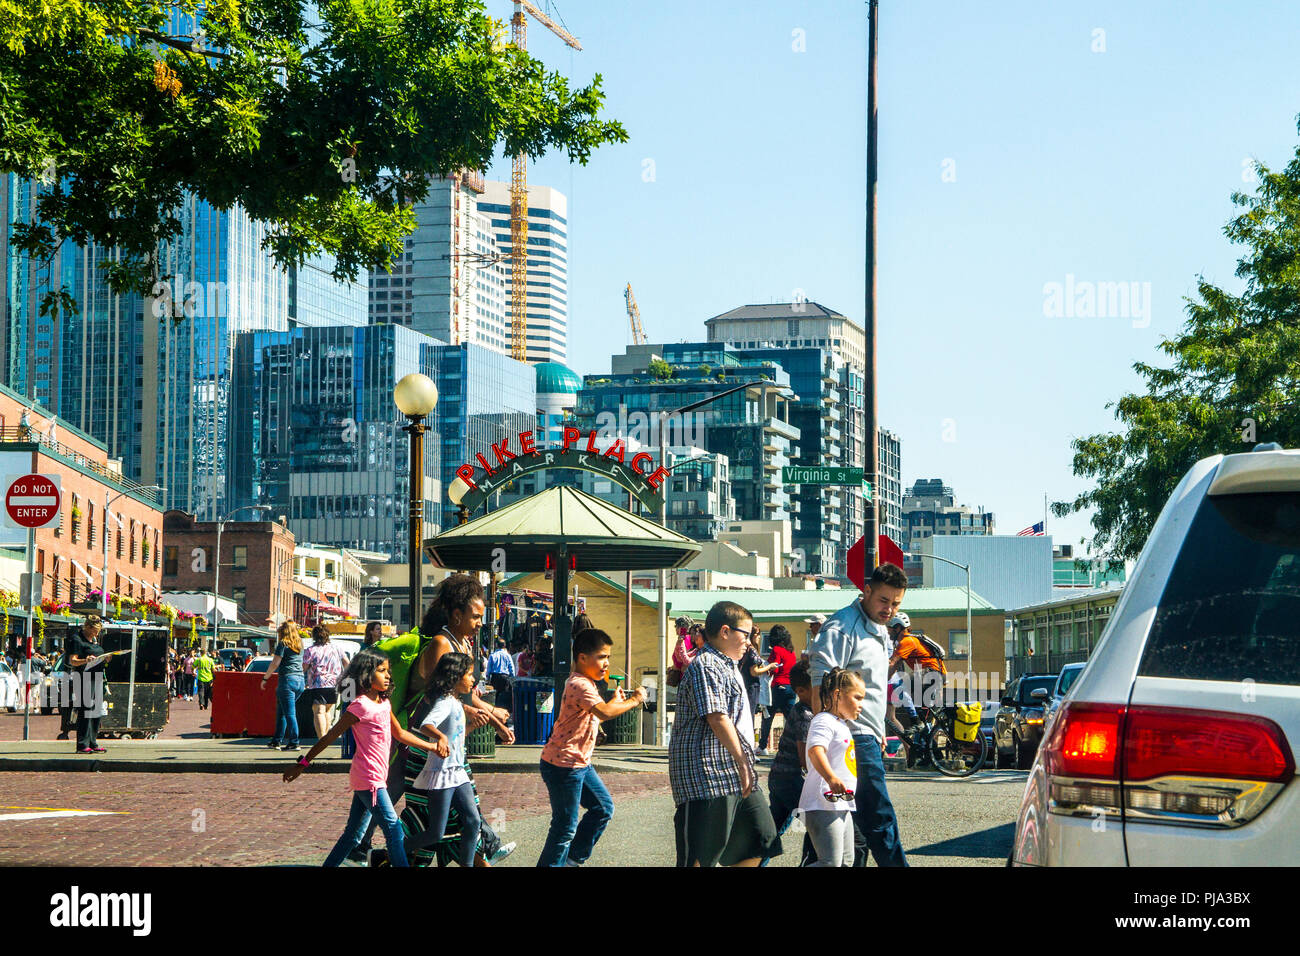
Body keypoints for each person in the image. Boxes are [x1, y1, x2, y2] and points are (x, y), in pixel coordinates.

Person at [370, 575, 514, 867]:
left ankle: (480, 851)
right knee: (436, 821)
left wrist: (493, 714)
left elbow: (466, 692)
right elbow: (442, 696)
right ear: (457, 614)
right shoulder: (440, 644)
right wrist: (477, 713)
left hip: (451, 751)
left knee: (461, 817)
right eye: (475, 616)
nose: (479, 623)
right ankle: (383, 853)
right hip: (427, 749)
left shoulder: (463, 645)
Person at [283, 647, 442, 867]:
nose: (387, 675)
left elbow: (401, 734)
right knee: (394, 830)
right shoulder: (360, 706)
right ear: (367, 674)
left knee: (353, 836)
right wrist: (302, 763)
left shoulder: (383, 703)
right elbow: (330, 736)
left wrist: (431, 747)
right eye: (381, 671)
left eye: (388, 671)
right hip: (370, 781)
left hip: (372, 779)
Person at [808, 562, 909, 867]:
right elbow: (820, 687)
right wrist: (827, 740)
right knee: (879, 818)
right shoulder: (841, 628)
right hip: (849, 739)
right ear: (866, 592)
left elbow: (873, 689)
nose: (889, 609)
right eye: (883, 600)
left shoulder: (880, 628)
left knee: (843, 827)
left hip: (868, 735)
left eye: (896, 604)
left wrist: (879, 731)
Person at [669, 601, 782, 867]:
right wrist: (743, 760)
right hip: (707, 776)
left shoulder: (729, 664)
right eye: (746, 634)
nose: (750, 642)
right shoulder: (707, 664)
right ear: (724, 631)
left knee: (760, 839)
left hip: (735, 773)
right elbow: (716, 716)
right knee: (700, 856)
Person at [537, 628, 645, 867]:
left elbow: (600, 710)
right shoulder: (579, 683)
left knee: (602, 808)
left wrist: (617, 701)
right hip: (563, 765)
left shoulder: (586, 682)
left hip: (578, 763)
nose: (606, 663)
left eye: (608, 657)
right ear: (582, 658)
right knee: (565, 827)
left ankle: (572, 860)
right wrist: (634, 700)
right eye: (601, 657)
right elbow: (604, 713)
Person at [406, 652, 481, 867]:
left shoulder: (455, 702)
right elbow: (426, 725)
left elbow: (455, 736)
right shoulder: (445, 703)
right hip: (442, 774)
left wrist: (470, 727)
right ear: (455, 677)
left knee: (473, 820)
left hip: (458, 772)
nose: (472, 679)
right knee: (435, 833)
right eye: (468, 674)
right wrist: (439, 736)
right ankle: (395, 850)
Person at [801, 667, 866, 867]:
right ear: (837, 695)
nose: (861, 705)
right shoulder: (823, 720)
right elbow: (815, 751)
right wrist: (831, 778)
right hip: (822, 803)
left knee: (846, 862)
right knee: (830, 863)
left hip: (840, 803)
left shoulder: (840, 724)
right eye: (857, 697)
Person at [764, 660, 813, 862]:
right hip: (791, 779)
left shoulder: (804, 710)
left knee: (771, 832)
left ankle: (755, 860)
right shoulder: (805, 714)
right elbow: (804, 759)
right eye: (818, 688)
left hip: (780, 777)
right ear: (801, 691)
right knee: (817, 826)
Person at [261, 621, 305, 751]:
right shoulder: (300, 644)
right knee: (282, 711)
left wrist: (265, 678)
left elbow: (275, 663)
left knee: (290, 713)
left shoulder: (283, 644)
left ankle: (294, 741)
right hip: (300, 680)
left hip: (287, 680)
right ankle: (276, 741)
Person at [67, 615, 107, 754]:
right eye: (96, 630)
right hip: (83, 678)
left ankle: (92, 741)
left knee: (96, 712)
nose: (97, 633)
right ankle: (82, 744)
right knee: (85, 711)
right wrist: (86, 660)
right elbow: (73, 661)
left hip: (97, 677)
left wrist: (105, 658)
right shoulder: (77, 640)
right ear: (88, 628)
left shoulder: (93, 640)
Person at [302, 624, 349, 740]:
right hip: (334, 683)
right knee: (327, 710)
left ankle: (321, 738)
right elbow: (347, 663)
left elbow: (304, 667)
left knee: (318, 711)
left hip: (318, 683)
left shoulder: (310, 650)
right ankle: (327, 737)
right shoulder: (336, 648)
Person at [739, 629, 779, 754]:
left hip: (746, 685)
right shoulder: (751, 651)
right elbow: (754, 671)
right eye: (757, 635)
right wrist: (769, 666)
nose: (759, 638)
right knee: (749, 717)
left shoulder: (745, 650)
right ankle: (748, 749)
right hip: (751, 686)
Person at [758, 625, 797, 752]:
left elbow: (775, 668)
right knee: (791, 719)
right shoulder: (792, 652)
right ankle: (797, 744)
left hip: (778, 686)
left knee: (767, 715)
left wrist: (766, 668)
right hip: (791, 687)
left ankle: (762, 746)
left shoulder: (777, 650)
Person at [484, 637, 516, 706]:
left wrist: (487, 678)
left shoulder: (492, 655)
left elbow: (488, 668)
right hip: (505, 677)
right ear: (504, 646)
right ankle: (502, 707)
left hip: (495, 677)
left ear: (496, 645)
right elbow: (511, 668)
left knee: (496, 693)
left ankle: (496, 705)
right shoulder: (508, 655)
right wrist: (512, 678)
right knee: (504, 693)